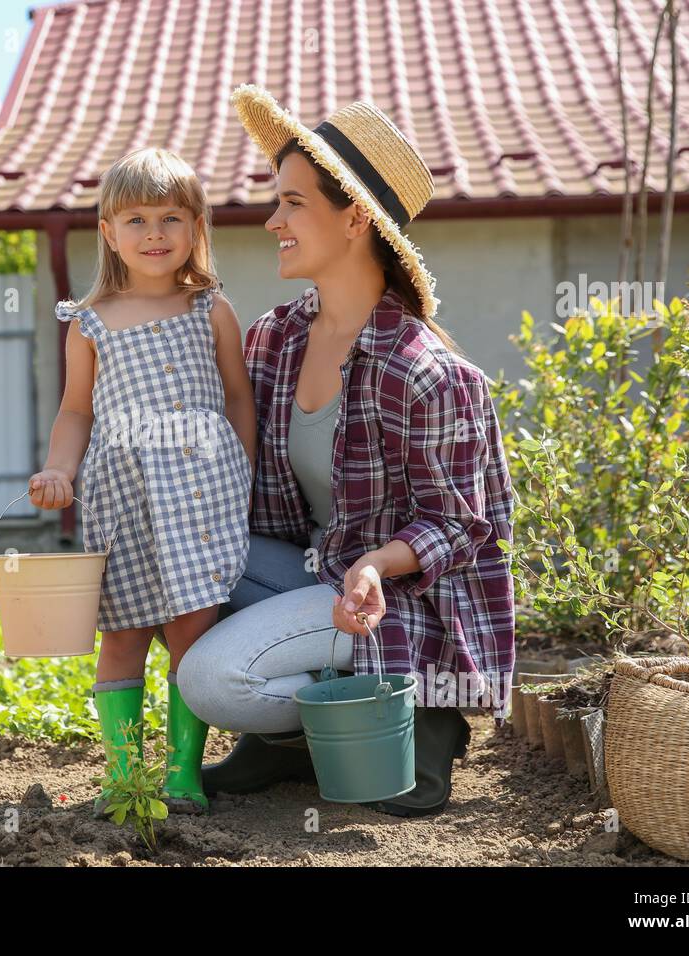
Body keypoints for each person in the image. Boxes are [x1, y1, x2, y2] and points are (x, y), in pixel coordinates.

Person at [176, 85, 516, 817]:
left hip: (397, 598)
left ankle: (416, 710)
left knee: (211, 681)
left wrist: (375, 562)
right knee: (173, 549)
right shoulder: (277, 339)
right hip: (314, 571)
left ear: (356, 216)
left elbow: (460, 528)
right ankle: (309, 735)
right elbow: (247, 488)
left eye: (294, 203)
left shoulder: (424, 371)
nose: (273, 221)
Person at [27, 147, 257, 815]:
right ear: (108, 231)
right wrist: (57, 469)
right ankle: (126, 774)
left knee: (192, 631)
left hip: (199, 495)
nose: (154, 235)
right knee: (123, 633)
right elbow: (76, 410)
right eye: (136, 220)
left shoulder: (209, 307)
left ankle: (184, 771)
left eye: (170, 218)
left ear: (196, 227)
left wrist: (239, 469)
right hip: (121, 496)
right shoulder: (89, 321)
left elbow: (238, 396)